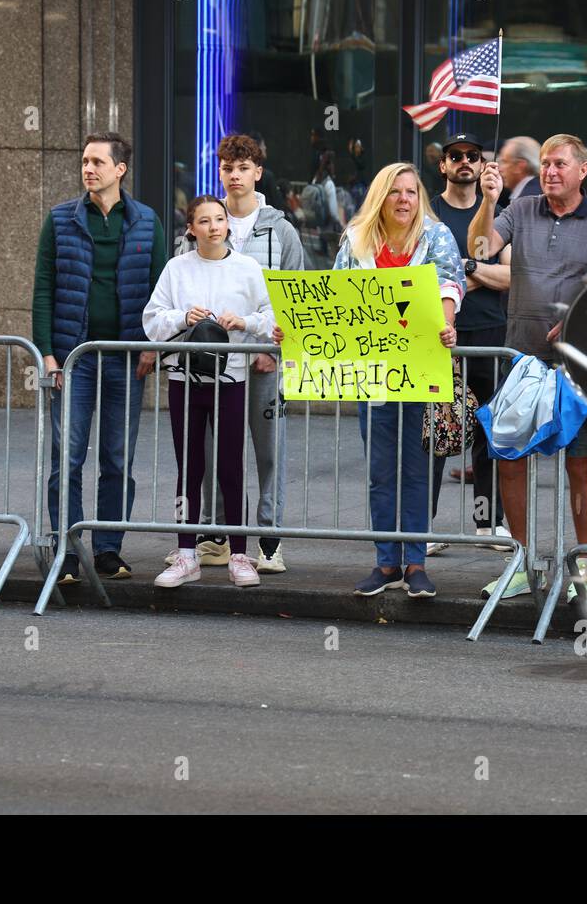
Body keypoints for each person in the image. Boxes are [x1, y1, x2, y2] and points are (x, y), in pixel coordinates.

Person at [469, 134, 587, 588]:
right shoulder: (521, 210)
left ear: (583, 170)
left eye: (560, 163)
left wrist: (585, 319)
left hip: (577, 366)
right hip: (519, 358)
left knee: (580, 464)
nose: (550, 171)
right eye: (545, 164)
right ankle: (520, 562)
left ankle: (584, 558)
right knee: (511, 458)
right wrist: (488, 200)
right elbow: (481, 249)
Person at [307, 162, 463, 599]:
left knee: (416, 470)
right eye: (395, 192)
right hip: (371, 373)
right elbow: (332, 298)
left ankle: (416, 563)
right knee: (380, 471)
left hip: (420, 367)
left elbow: (450, 284)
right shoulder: (356, 242)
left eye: (411, 192)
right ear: (380, 196)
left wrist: (447, 324)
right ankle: (386, 562)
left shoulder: (437, 236)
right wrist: (296, 331)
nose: (403, 200)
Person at [32, 132, 167, 583]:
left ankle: (108, 549)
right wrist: (48, 354)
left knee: (117, 457)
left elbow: (160, 292)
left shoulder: (147, 221)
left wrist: (152, 345)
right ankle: (67, 550)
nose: (88, 169)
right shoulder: (60, 219)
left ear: (120, 169)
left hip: (127, 357)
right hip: (75, 358)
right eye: (84, 162)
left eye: (97, 162)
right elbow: (43, 290)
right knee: (66, 457)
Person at [173, 133, 306, 574]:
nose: (235, 175)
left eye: (243, 167)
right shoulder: (201, 223)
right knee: (214, 450)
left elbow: (296, 294)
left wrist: (273, 347)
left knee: (268, 452)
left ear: (258, 173)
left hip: (265, 359)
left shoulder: (280, 229)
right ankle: (214, 536)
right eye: (228, 168)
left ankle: (268, 540)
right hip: (213, 363)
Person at [143, 195, 274, 589]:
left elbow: (273, 317)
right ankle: (186, 554)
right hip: (184, 378)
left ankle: (239, 553)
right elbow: (152, 320)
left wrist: (246, 322)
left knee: (231, 466)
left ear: (228, 226)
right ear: (191, 228)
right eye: (205, 220)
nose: (214, 226)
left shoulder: (248, 268)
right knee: (190, 466)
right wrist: (183, 317)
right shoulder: (176, 268)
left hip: (231, 378)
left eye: (220, 219)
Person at [422, 133, 513, 559]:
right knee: (437, 431)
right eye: (455, 156)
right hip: (439, 334)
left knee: (488, 429)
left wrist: (461, 275)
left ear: (482, 164)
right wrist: (473, 278)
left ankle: (487, 520)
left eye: (472, 156)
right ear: (443, 165)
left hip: (490, 331)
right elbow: (424, 277)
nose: (464, 162)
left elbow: (512, 277)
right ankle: (425, 526)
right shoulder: (429, 213)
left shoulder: (500, 214)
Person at [496, 136, 542, 206]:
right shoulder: (538, 192)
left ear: (519, 166)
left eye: (504, 162)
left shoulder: (527, 200)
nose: (500, 169)